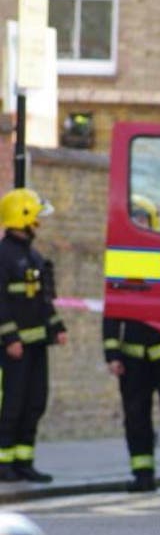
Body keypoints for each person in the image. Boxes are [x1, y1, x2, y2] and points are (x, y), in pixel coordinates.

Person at [103, 194, 160, 492]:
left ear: (153, 222)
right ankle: (141, 474)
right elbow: (112, 310)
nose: (138, 225)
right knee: (135, 416)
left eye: (142, 219)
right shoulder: (122, 262)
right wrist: (111, 353)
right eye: (134, 220)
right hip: (133, 358)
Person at [0, 187, 67, 482]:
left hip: (37, 345)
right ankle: (3, 463)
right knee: (11, 405)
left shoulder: (34, 257)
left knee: (35, 402)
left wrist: (57, 327)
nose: (39, 222)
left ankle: (24, 462)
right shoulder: (4, 256)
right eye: (36, 216)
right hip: (13, 348)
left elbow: (44, 302)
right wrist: (10, 338)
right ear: (22, 217)